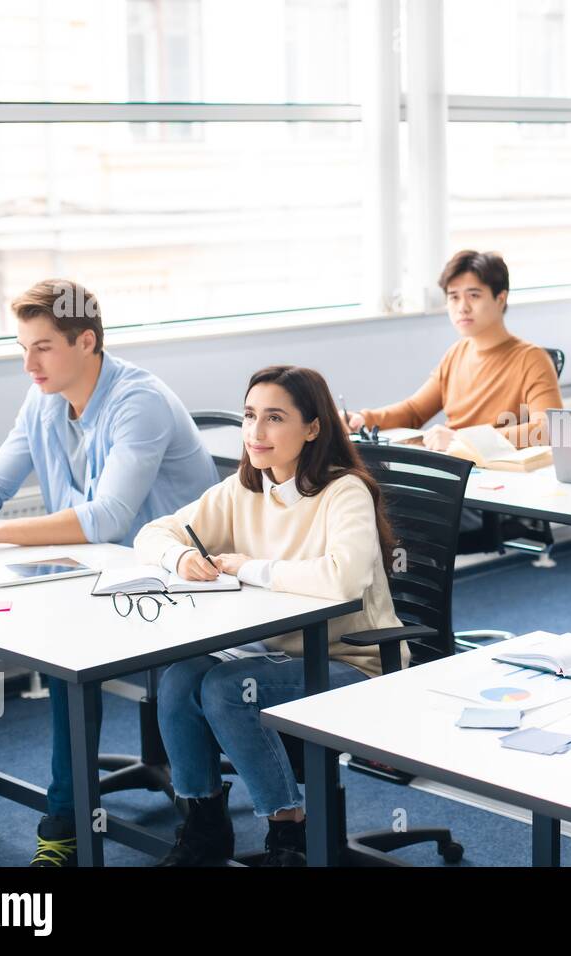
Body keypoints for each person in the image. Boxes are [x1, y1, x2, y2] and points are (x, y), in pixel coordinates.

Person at [0, 279, 218, 866]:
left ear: (87, 341)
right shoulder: (44, 398)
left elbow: (107, 517)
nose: (28, 364)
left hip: (168, 584)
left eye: (42, 347)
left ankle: (67, 824)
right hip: (90, 573)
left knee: (64, 650)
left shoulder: (138, 400)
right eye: (23, 347)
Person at [134, 366, 403, 867]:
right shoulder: (244, 490)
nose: (256, 432)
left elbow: (342, 579)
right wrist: (179, 558)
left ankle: (288, 834)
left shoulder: (345, 492)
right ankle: (204, 827)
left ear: (313, 428)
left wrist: (248, 567)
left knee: (223, 688)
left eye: (274, 418)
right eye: (250, 416)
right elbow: (152, 534)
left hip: (353, 663)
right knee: (178, 680)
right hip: (271, 657)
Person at [345, 250, 563, 451]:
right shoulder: (456, 353)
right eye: (454, 297)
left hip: (498, 474)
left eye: (474, 295)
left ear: (500, 298)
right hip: (452, 466)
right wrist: (363, 419)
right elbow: (414, 411)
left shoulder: (532, 359)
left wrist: (462, 440)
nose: (462, 307)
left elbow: (546, 430)